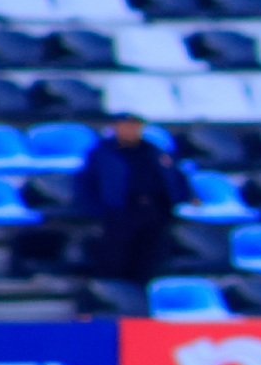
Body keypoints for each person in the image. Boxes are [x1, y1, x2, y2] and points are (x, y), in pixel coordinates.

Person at [74, 113, 190, 284]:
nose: (131, 130)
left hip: (153, 211)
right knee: (116, 260)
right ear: (115, 128)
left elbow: (174, 177)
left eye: (135, 126)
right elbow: (86, 184)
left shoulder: (154, 151)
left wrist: (180, 198)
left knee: (149, 260)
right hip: (121, 212)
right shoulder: (103, 154)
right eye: (126, 125)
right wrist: (97, 210)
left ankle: (141, 300)